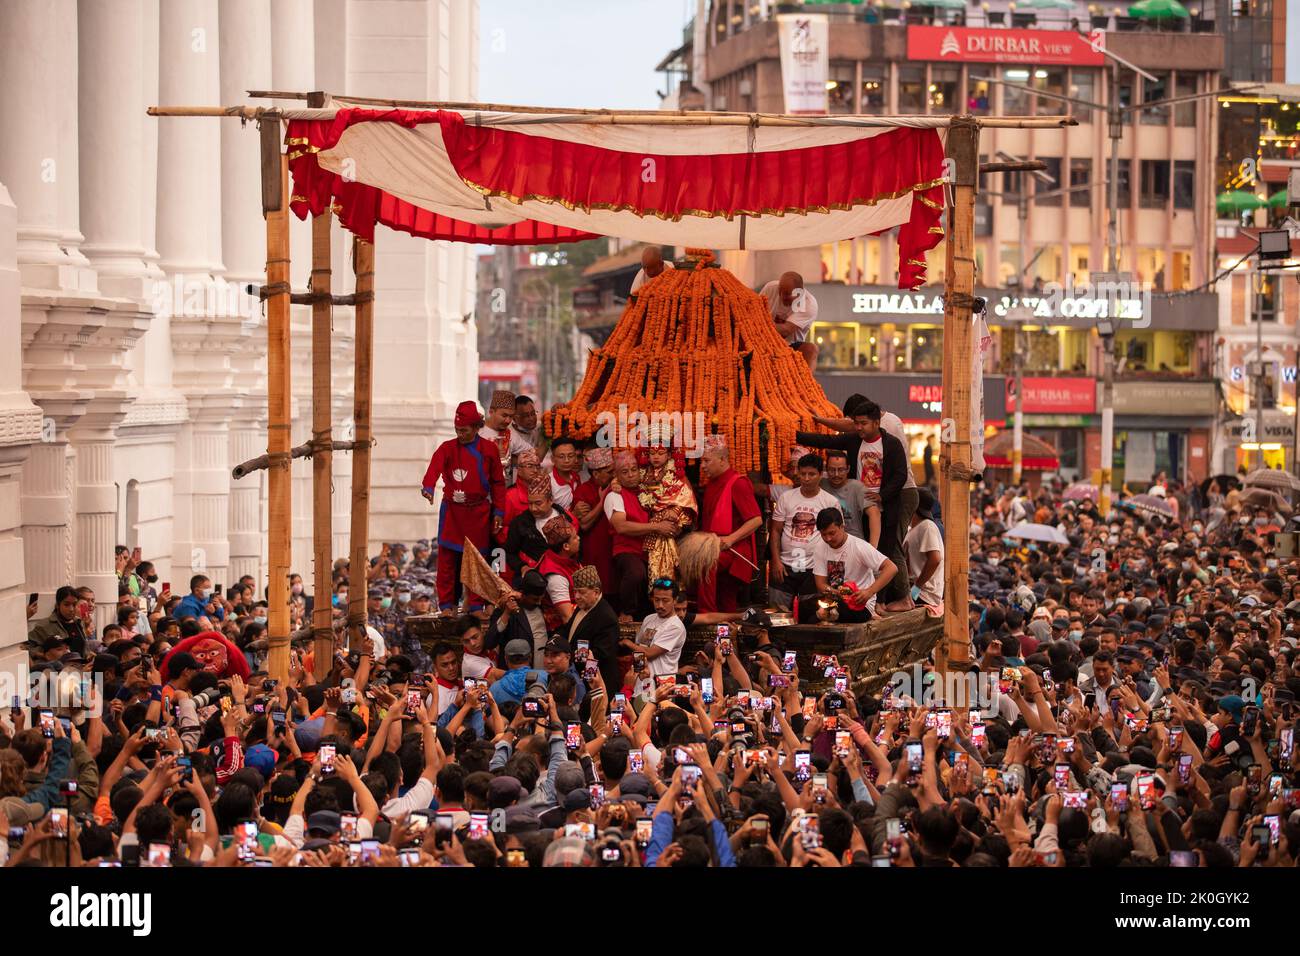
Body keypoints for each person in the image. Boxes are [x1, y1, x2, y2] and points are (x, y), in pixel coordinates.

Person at [797, 400, 913, 612]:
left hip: (887, 503)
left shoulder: (892, 444)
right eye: (856, 423)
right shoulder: (854, 441)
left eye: (863, 423)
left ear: (877, 422)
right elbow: (828, 441)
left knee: (888, 549)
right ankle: (871, 599)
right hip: (863, 506)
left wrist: (882, 496)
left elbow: (900, 475)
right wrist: (798, 436)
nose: (858, 427)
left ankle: (886, 600)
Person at [421, 400, 507, 612]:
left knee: (477, 560)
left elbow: (498, 482)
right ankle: (447, 605)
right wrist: (428, 487)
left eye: (465, 430)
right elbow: (434, 468)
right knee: (447, 562)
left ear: (477, 428)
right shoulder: (447, 448)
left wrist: (498, 511)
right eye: (457, 430)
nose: (460, 434)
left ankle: (477, 604)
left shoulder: (489, 450)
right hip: (452, 513)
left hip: (478, 513)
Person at [604, 451, 676, 622]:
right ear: (616, 475)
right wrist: (658, 527)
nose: (630, 475)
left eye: (634, 470)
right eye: (624, 472)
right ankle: (626, 611)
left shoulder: (646, 490)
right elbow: (621, 527)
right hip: (626, 550)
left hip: (650, 550)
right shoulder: (614, 496)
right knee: (636, 573)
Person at [696, 436, 762, 613]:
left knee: (705, 562)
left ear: (722, 460)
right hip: (717, 546)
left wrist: (731, 539)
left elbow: (756, 520)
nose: (702, 466)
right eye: (701, 461)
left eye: (706, 460)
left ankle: (706, 615)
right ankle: (726, 633)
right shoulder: (711, 483)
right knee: (726, 599)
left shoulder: (738, 483)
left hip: (734, 549)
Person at [769, 453, 840, 613]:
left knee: (811, 615)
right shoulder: (786, 498)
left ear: (821, 475)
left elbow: (835, 537)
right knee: (777, 615)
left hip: (814, 569)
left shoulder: (830, 502)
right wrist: (776, 561)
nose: (806, 478)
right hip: (785, 567)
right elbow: (775, 530)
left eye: (811, 474)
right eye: (803, 474)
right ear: (798, 473)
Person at [808, 507, 896, 623]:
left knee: (830, 613)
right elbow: (821, 584)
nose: (828, 538)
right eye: (824, 534)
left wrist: (869, 591)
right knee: (804, 607)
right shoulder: (820, 547)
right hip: (835, 600)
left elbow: (891, 568)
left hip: (860, 605)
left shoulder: (859, 546)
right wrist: (836, 592)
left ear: (841, 526)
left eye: (832, 533)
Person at [637, 424, 697, 582]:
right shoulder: (641, 474)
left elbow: (687, 499)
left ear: (670, 454)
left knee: (668, 557)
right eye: (652, 453)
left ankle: (668, 591)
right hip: (645, 525)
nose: (656, 457)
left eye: (661, 453)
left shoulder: (677, 474)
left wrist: (675, 512)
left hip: (669, 524)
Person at [559, 565, 622, 696]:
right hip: (578, 679)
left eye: (581, 592)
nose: (576, 596)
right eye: (574, 591)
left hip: (597, 684)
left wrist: (567, 657)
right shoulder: (583, 606)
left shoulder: (606, 617)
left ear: (596, 592)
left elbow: (600, 654)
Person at [624, 579, 686, 699]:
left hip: (661, 688)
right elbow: (639, 648)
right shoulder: (649, 619)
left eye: (665, 600)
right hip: (641, 683)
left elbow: (649, 653)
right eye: (656, 600)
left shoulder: (676, 626)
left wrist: (626, 643)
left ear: (675, 600)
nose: (660, 605)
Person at [572, 447, 615, 594]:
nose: (613, 475)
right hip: (596, 553)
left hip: (615, 549)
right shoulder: (584, 490)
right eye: (609, 472)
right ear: (596, 473)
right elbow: (584, 524)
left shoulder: (617, 486)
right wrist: (603, 500)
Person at [760, 271, 818, 369]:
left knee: (811, 349)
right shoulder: (770, 288)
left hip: (790, 345)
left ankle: (805, 383)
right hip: (763, 340)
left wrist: (760, 324)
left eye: (787, 294)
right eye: (780, 291)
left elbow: (786, 330)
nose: (782, 296)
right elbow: (754, 310)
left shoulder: (809, 304)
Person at [479, 389, 533, 487]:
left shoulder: (510, 434)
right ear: (491, 411)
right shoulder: (478, 431)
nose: (508, 420)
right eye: (504, 415)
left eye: (511, 416)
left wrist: (513, 460)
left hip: (503, 492)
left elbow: (531, 452)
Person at [903, 487, 944, 609]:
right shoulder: (912, 530)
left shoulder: (927, 526)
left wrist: (917, 587)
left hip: (924, 594)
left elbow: (935, 559)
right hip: (915, 590)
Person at [820, 448, 871, 543]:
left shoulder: (857, 487)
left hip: (853, 543)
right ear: (826, 469)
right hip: (827, 542)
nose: (836, 474)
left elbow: (874, 514)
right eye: (831, 470)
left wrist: (873, 547)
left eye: (841, 470)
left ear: (848, 469)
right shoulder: (820, 484)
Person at [548, 436, 583, 511]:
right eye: (561, 457)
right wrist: (573, 514)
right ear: (552, 459)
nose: (567, 460)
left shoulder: (576, 477)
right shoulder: (548, 483)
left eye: (570, 456)